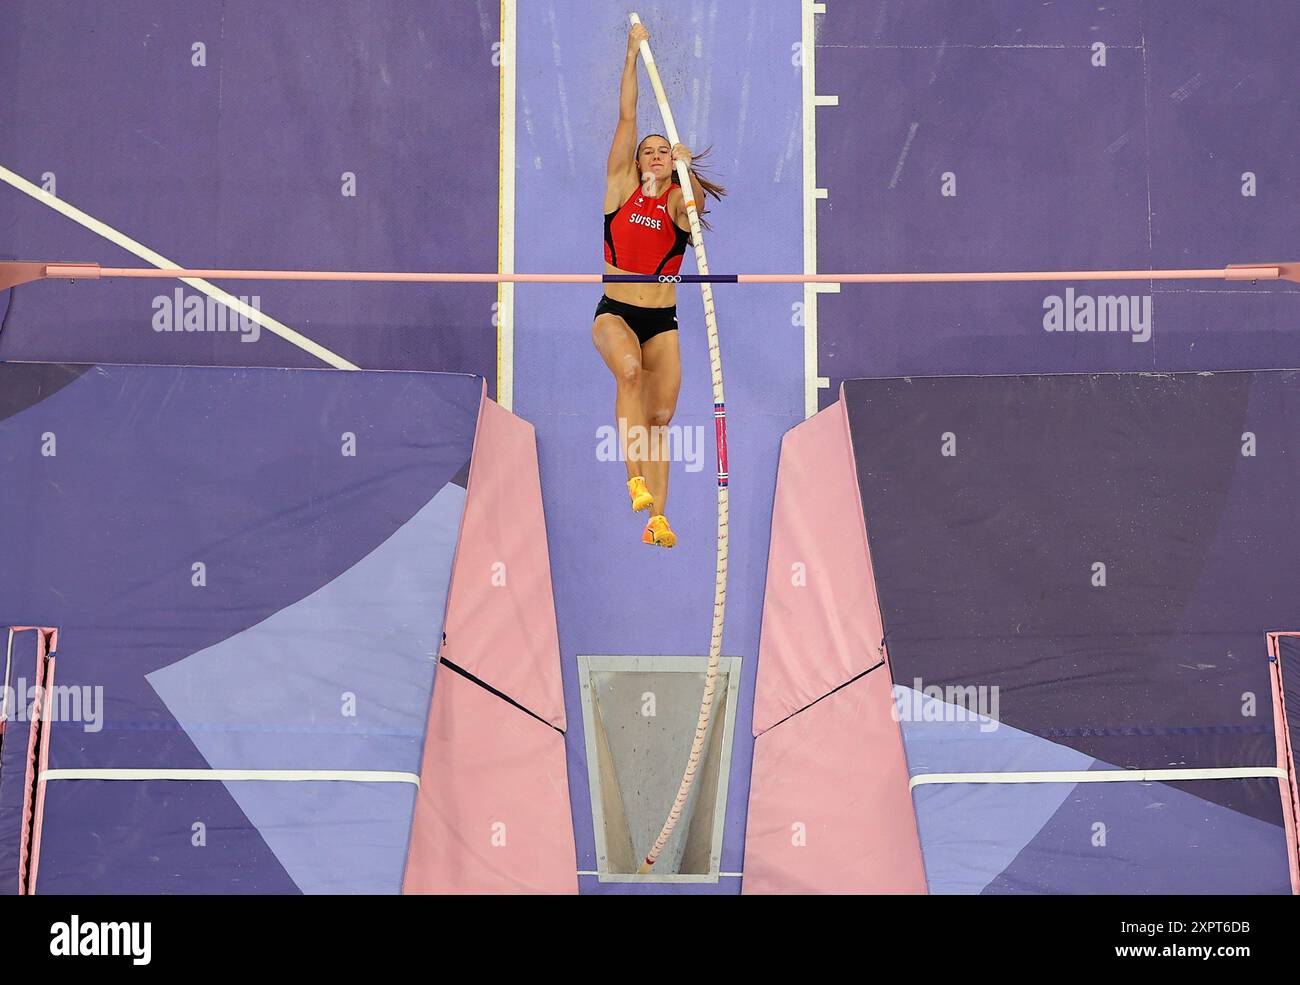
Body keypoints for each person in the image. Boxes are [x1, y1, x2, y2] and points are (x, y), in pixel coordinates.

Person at [593, 22, 726, 548]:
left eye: (662, 152)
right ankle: (633, 480)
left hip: (662, 320)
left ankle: (659, 518)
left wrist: (688, 171)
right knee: (629, 374)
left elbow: (693, 224)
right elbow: (628, 114)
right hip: (616, 313)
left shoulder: (676, 199)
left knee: (662, 418)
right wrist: (630, 52)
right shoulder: (620, 186)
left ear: (670, 163)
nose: (653, 154)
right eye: (648, 150)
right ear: (636, 160)